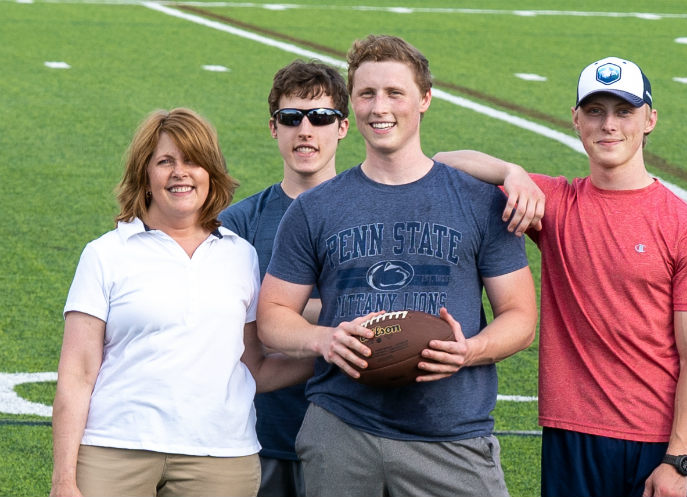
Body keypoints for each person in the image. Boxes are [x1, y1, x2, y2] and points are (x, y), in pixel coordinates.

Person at [255, 34, 537, 497]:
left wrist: (471, 350)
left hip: (451, 435)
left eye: (394, 93)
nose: (378, 107)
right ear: (353, 106)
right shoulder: (314, 208)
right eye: (366, 94)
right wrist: (323, 339)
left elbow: (521, 318)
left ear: (424, 99)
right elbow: (272, 317)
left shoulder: (479, 200)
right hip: (341, 430)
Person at [435, 56, 687, 497]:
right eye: (595, 111)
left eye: (624, 111)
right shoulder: (553, 202)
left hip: (655, 446)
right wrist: (511, 172)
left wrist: (678, 460)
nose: (609, 125)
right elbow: (444, 163)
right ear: (575, 120)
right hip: (571, 437)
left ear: (649, 119)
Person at [50, 108, 313, 497]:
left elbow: (253, 367)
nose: (180, 173)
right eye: (165, 162)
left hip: (221, 455)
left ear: (211, 172)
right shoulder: (105, 254)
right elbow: (77, 374)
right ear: (145, 175)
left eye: (193, 161)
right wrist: (63, 480)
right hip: (115, 449)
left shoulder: (241, 256)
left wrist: (331, 353)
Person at [219, 60, 350, 497]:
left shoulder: (373, 210)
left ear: (343, 127)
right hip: (261, 435)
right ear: (274, 128)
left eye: (321, 117)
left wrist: (283, 316)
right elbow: (230, 328)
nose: (306, 130)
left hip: (353, 438)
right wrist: (335, 317)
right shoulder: (238, 223)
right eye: (291, 118)